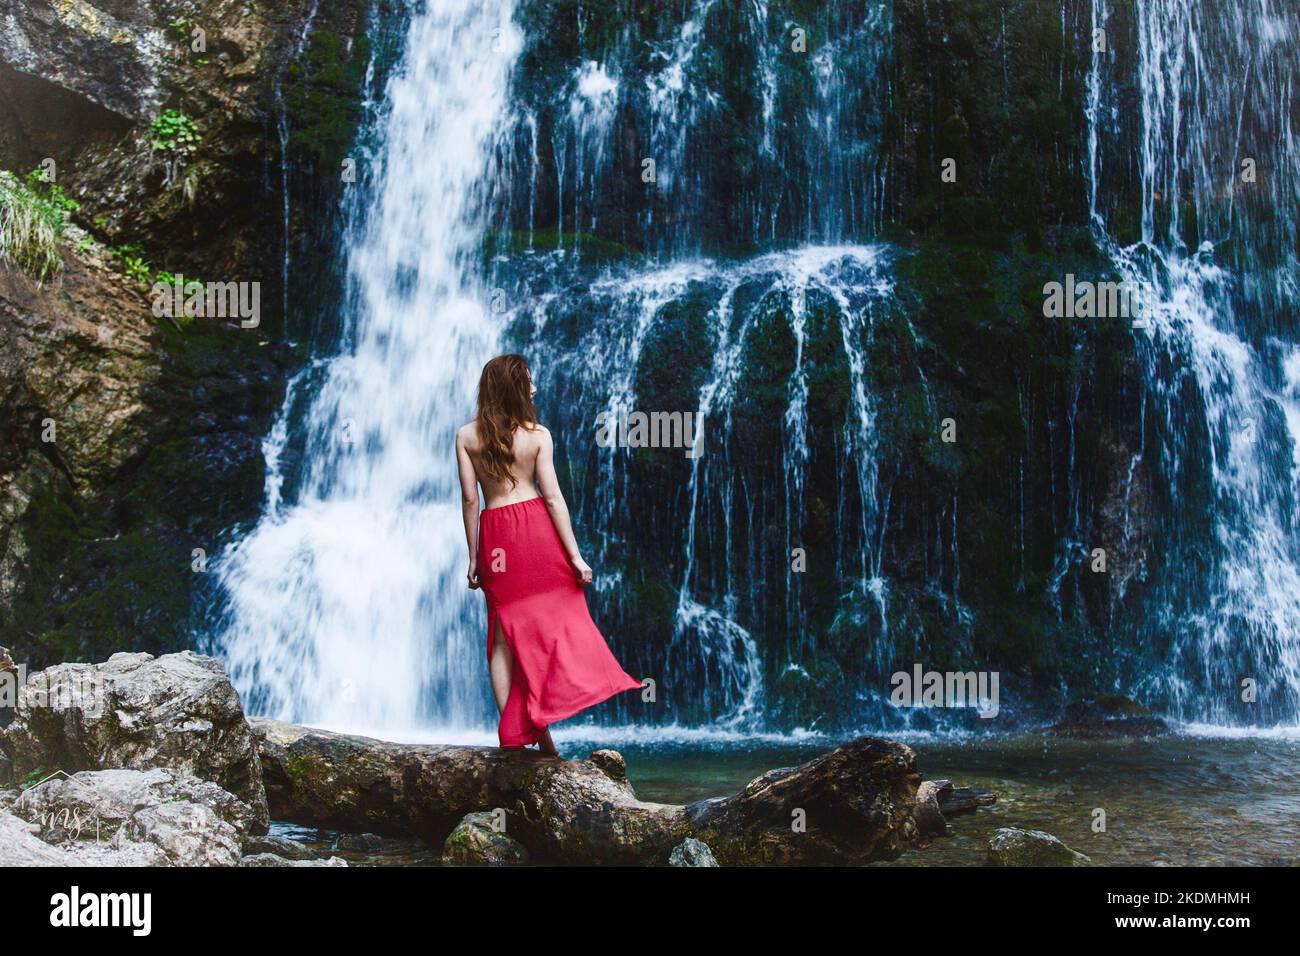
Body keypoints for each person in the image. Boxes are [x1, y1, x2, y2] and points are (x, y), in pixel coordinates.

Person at [455, 354, 641, 757]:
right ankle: (543, 725)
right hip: (536, 533)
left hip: (497, 539)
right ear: (513, 389)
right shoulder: (538, 435)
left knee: (502, 638)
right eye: (528, 382)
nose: (535, 388)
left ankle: (520, 739)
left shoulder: (466, 436)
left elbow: (471, 499)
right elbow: (554, 498)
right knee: (557, 621)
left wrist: (473, 557)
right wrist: (575, 557)